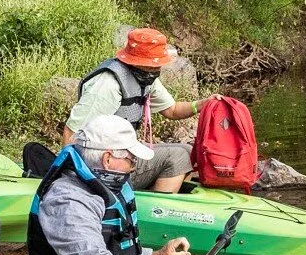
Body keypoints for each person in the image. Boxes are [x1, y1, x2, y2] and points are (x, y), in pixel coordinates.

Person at [28, 116, 280, 255]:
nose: (134, 165)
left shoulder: (103, 184)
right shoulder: (69, 201)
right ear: (108, 159)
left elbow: (115, 247)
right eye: (130, 159)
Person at [64, 27, 214, 194]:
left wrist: (202, 104)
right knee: (178, 157)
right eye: (152, 65)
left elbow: (172, 110)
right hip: (104, 165)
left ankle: (159, 191)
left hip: (124, 150)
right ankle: (157, 210)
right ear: (136, 61)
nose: (156, 70)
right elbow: (72, 132)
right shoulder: (108, 85)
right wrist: (72, 179)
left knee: (189, 151)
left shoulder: (145, 77)